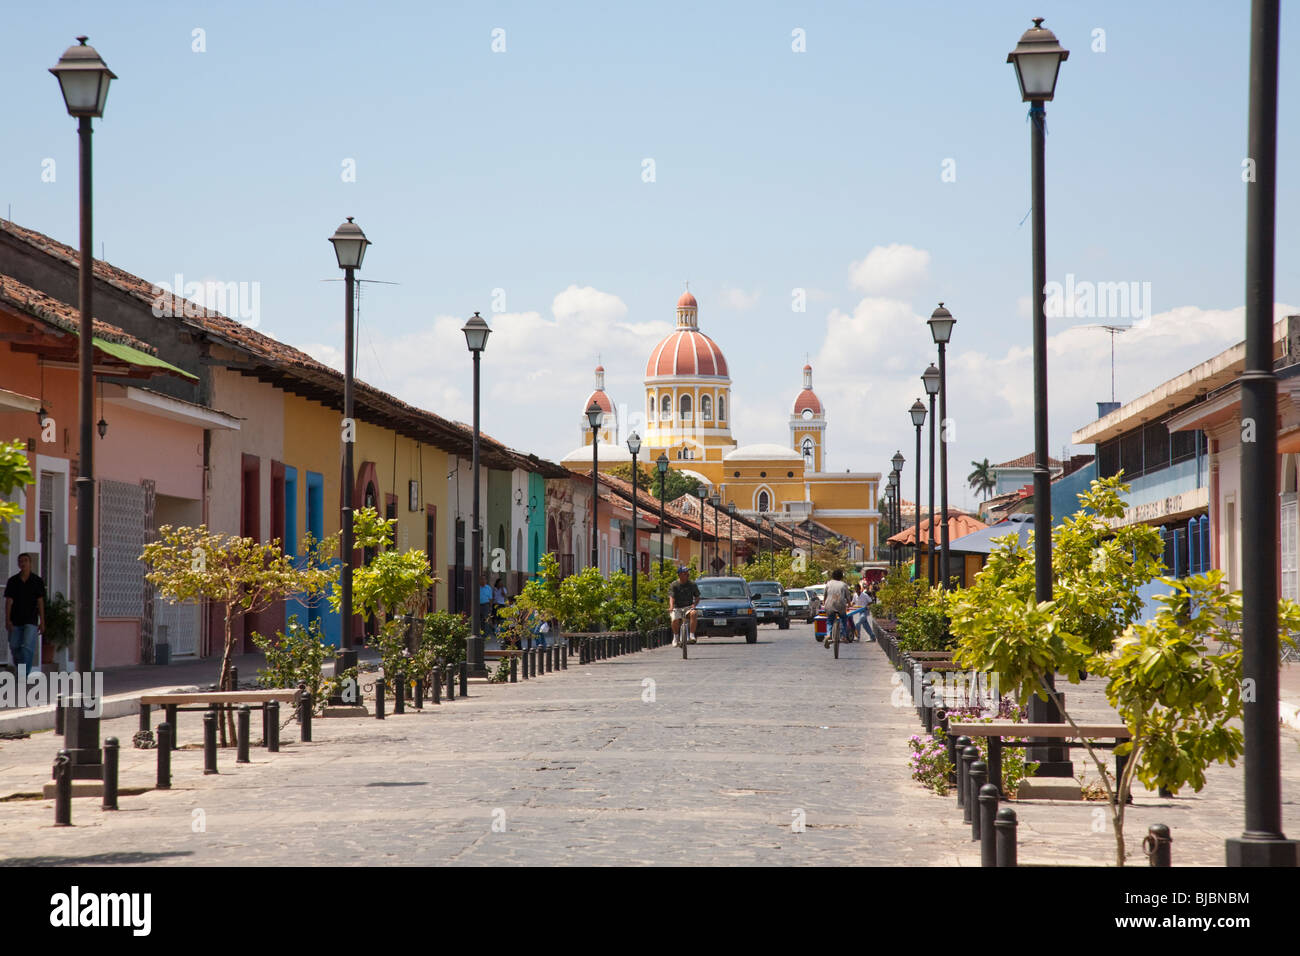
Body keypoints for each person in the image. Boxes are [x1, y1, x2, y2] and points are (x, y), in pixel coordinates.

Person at [5, 553, 45, 672]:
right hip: (16, 619)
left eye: (25, 561)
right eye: (21, 561)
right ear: (18, 564)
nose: (23, 563)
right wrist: (7, 620)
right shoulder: (13, 581)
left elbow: (40, 602)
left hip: (31, 619)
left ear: (30, 563)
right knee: (14, 646)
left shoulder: (37, 581)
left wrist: (42, 621)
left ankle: (23, 674)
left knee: (27, 647)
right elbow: (8, 602)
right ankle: (21, 669)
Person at [668, 567, 700, 646]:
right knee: (674, 619)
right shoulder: (674, 584)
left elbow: (697, 597)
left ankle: (692, 635)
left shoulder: (692, 584)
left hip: (688, 607)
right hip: (677, 607)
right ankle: (675, 637)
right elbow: (671, 597)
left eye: (687, 573)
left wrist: (694, 604)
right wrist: (671, 607)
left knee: (694, 613)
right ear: (679, 575)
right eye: (685, 573)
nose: (687, 575)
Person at [822, 569, 852, 649]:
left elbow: (825, 595)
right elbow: (848, 596)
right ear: (841, 576)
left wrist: (824, 603)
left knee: (829, 621)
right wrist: (849, 604)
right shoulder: (843, 585)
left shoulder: (828, 584)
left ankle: (828, 634)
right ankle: (843, 635)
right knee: (843, 618)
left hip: (830, 605)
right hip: (840, 605)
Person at [478, 574, 495, 638]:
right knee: (479, 620)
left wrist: (490, 607)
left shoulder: (488, 588)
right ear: (479, 580)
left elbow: (490, 598)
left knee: (486, 620)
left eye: (484, 579)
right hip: (478, 605)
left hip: (486, 605)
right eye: (481, 579)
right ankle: (479, 634)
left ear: (486, 580)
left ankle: (485, 635)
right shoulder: (477, 587)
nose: (483, 580)